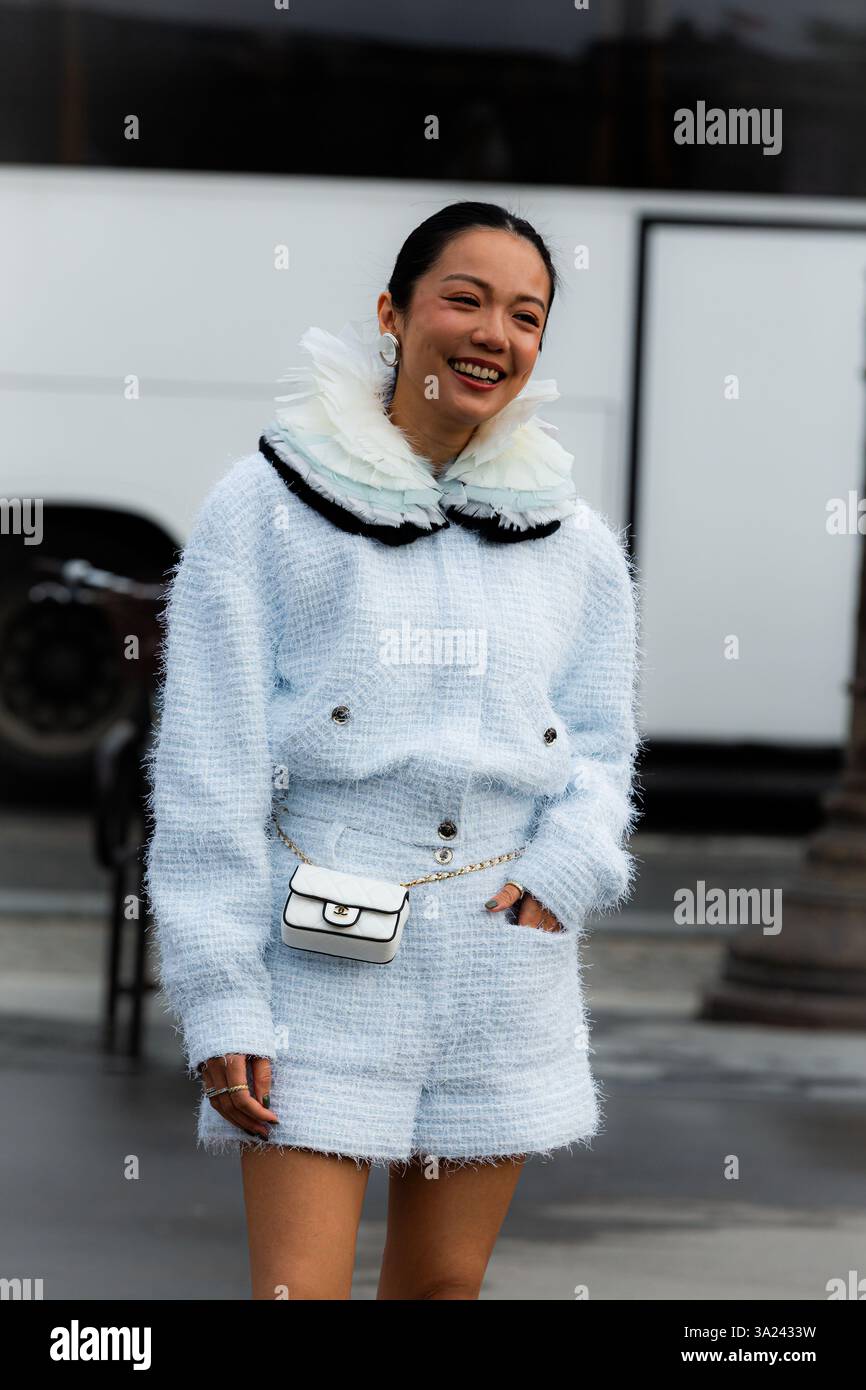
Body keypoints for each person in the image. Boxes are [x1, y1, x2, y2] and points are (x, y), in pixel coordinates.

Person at [143, 200, 643, 1300]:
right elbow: (205, 774)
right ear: (393, 313)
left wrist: (560, 876)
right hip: (314, 958)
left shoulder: (572, 542)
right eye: (462, 299)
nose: (492, 334)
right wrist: (220, 994)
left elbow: (603, 749)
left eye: (525, 315)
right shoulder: (263, 509)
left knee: (442, 1291)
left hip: (496, 962)